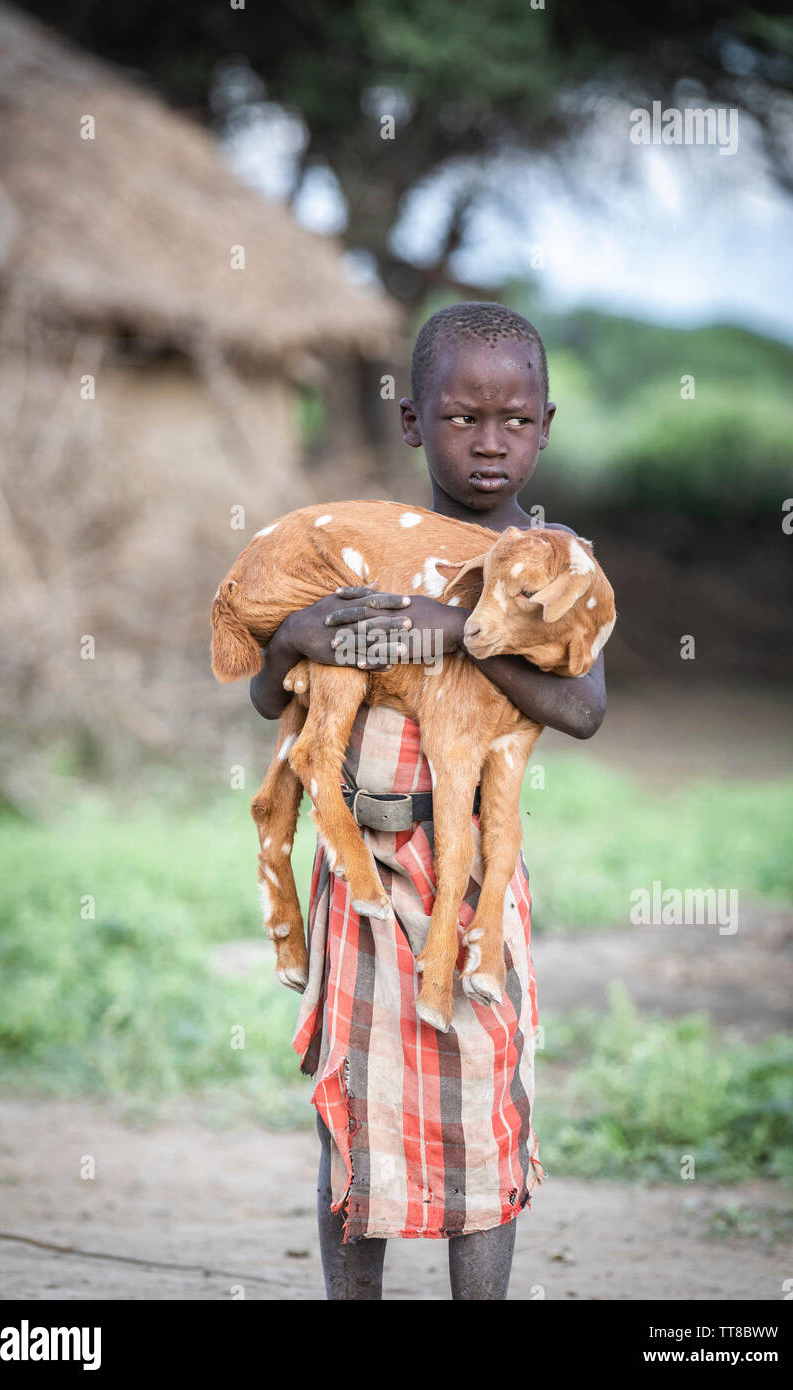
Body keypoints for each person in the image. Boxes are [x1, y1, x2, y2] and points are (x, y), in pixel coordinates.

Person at [250, 301, 606, 1299]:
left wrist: (458, 629)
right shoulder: (362, 555)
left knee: (480, 1116)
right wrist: (291, 638)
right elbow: (267, 693)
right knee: (352, 1122)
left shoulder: (553, 566)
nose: (488, 443)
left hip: (473, 881)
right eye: (461, 418)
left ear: (545, 424)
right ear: (412, 422)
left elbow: (581, 706)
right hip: (355, 875)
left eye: (513, 419)